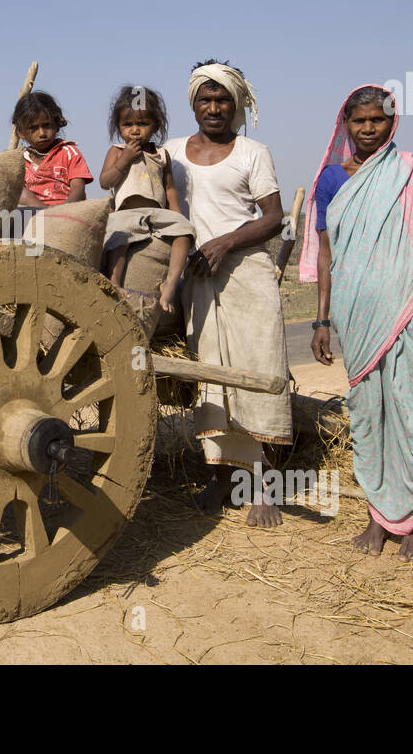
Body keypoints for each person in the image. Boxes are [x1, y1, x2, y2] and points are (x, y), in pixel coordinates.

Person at [299, 85, 413, 562]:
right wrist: (322, 320)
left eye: (378, 120)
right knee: (370, 414)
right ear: (345, 125)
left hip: (410, 311)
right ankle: (377, 516)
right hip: (357, 315)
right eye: (359, 121)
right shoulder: (330, 180)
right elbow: (327, 255)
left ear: (393, 123)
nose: (369, 129)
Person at [166, 60, 292, 527]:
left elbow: (273, 217)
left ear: (237, 105)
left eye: (222, 100)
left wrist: (223, 242)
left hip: (246, 276)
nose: (214, 108)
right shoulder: (173, 152)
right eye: (205, 99)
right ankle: (220, 479)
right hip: (195, 281)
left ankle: (264, 487)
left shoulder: (253, 152)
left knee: (256, 369)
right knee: (210, 377)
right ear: (193, 104)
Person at [98, 85, 195, 313]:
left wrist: (177, 214)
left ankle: (170, 283)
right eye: (127, 124)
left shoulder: (161, 154)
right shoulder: (117, 150)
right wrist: (124, 161)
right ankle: (114, 283)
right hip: (126, 214)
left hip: (158, 214)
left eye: (142, 124)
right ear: (118, 127)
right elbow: (105, 182)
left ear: (156, 126)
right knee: (118, 243)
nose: (134, 131)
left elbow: (169, 187)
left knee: (185, 233)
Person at [13, 91, 92, 207]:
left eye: (46, 125)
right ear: (21, 132)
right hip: (33, 213)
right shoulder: (19, 161)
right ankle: (45, 212)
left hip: (66, 209)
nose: (42, 133)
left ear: (56, 124)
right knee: (19, 191)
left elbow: (78, 189)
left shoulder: (69, 153)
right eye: (33, 128)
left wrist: (63, 209)